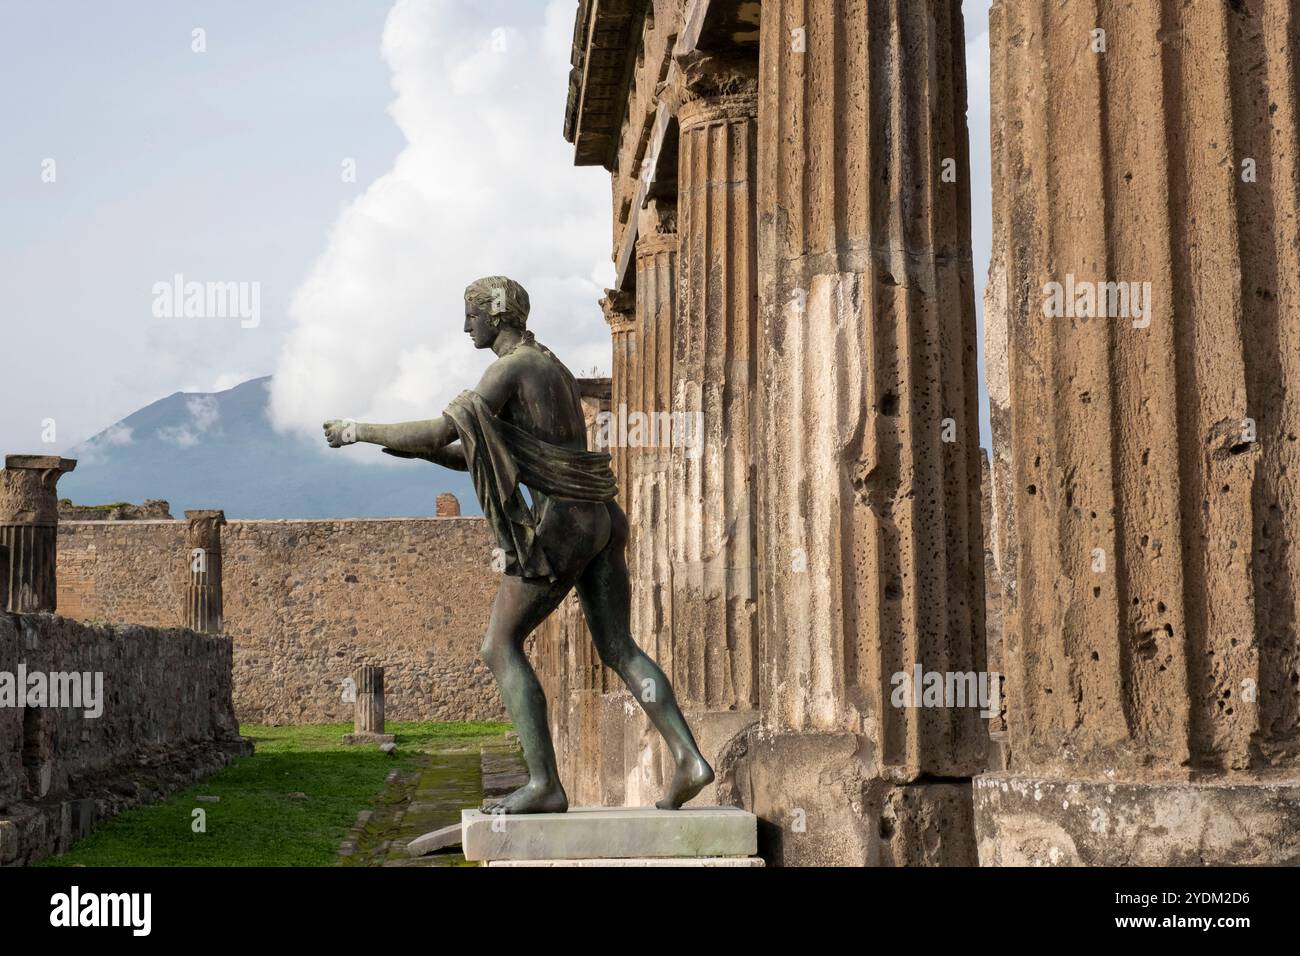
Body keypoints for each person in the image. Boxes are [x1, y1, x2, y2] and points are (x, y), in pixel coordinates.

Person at [323, 276, 713, 812]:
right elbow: (481, 455)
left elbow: (442, 432)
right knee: (619, 648)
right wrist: (418, 454)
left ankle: (545, 785)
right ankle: (689, 758)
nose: (466, 326)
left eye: (472, 314)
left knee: (499, 646)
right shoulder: (550, 366)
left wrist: (360, 431)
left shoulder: (511, 368)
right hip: (599, 516)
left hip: (562, 524)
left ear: (499, 313)